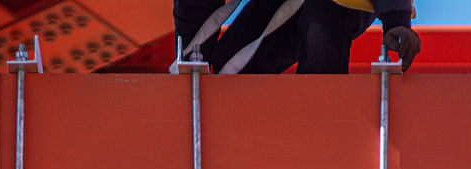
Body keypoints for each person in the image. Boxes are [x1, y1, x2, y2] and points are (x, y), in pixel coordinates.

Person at [175, 0, 422, 75]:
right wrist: (191, 59)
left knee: (320, 29)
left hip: (339, 4)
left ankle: (321, 127)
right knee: (223, 75)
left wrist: (396, 21)